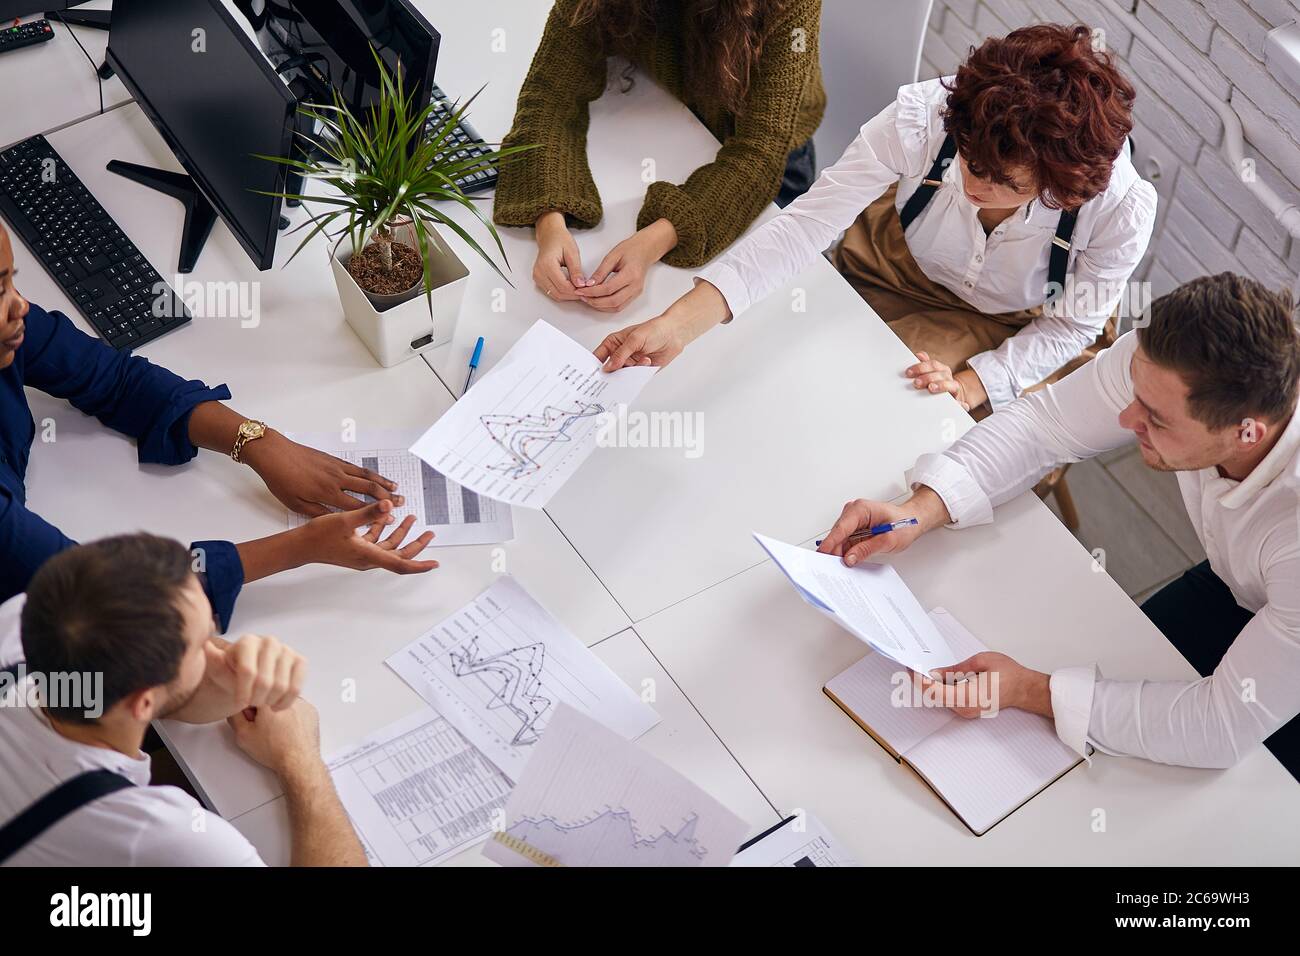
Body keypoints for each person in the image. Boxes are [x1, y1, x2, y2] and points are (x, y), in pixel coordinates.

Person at [817, 273, 1300, 779]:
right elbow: (1046, 426)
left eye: (1155, 420)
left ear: (1248, 434)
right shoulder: (1170, 360)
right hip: (1239, 580)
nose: (1125, 418)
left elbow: (1218, 727)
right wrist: (923, 507)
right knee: (1110, 711)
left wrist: (1027, 689)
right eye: (1135, 395)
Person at [596, 23, 1157, 417]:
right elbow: (805, 225)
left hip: (1025, 320)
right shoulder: (925, 117)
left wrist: (975, 382)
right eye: (967, 159)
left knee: (932, 433)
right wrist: (677, 324)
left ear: (1062, 182)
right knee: (787, 375)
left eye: (1005, 182)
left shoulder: (1121, 208)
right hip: (895, 266)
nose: (973, 184)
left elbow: (1073, 326)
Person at [0, 222, 437, 631]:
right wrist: (301, 547)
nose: (21, 304)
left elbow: (113, 379)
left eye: (11, 280)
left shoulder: (12, 324)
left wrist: (258, 442)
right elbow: (103, 596)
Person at [0, 534, 365, 866]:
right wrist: (299, 759)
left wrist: (227, 676)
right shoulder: (157, 836)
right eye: (203, 644)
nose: (218, 648)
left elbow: (163, 697)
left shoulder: (21, 624)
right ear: (143, 705)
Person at [494, 0, 825, 314]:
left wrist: (655, 241)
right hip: (674, 118)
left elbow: (760, 153)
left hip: (775, 165)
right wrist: (549, 220)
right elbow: (551, 91)